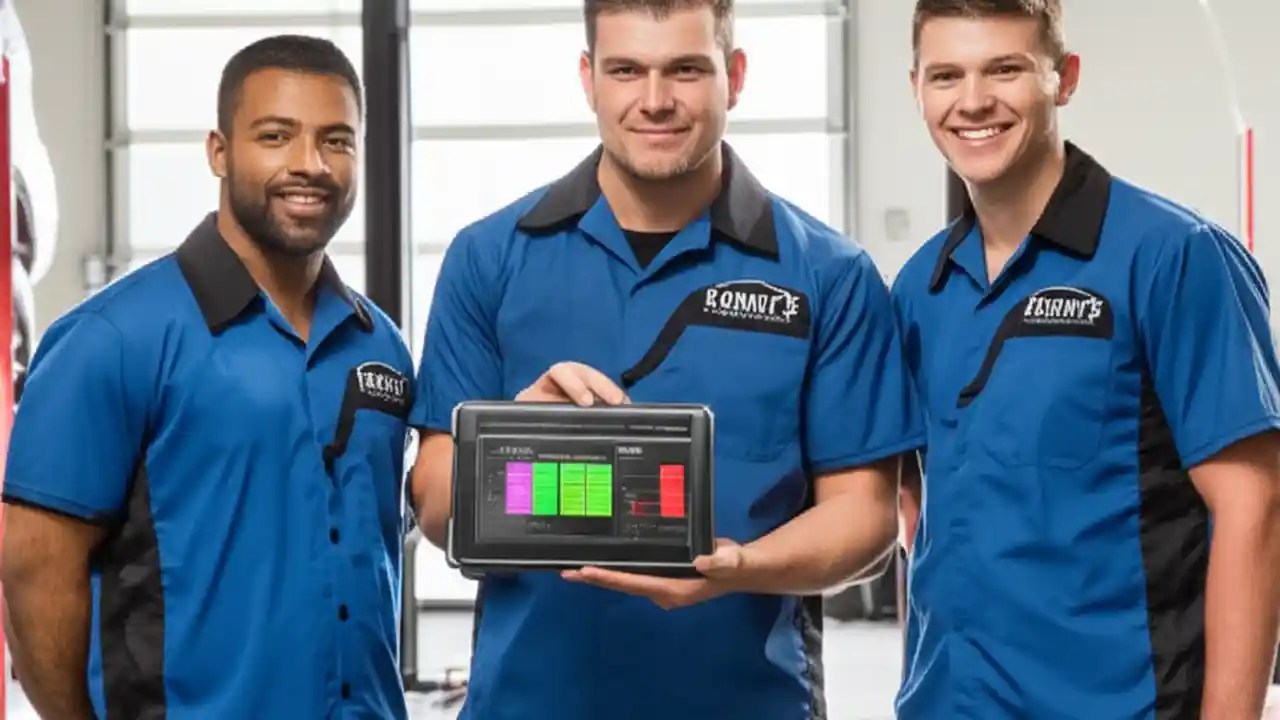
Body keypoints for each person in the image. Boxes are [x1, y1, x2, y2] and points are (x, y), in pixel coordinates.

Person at [407, 1, 923, 718]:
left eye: (685, 69)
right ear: (589, 79)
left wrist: (739, 568)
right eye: (626, 70)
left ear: (734, 76)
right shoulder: (488, 259)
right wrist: (513, 437)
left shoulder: (829, 275)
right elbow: (433, 504)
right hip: (531, 701)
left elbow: (865, 518)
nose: (654, 101)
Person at [1, 35, 415, 720]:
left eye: (336, 140)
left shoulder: (383, 349)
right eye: (276, 136)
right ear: (219, 151)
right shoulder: (110, 341)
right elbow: (33, 577)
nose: (309, 164)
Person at [892, 1, 1280, 718]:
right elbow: (919, 511)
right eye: (947, 75)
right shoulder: (920, 286)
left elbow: (1253, 509)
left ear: (1063, 78)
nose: (973, 101)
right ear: (917, 87)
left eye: (1005, 69)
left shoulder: (1175, 258)